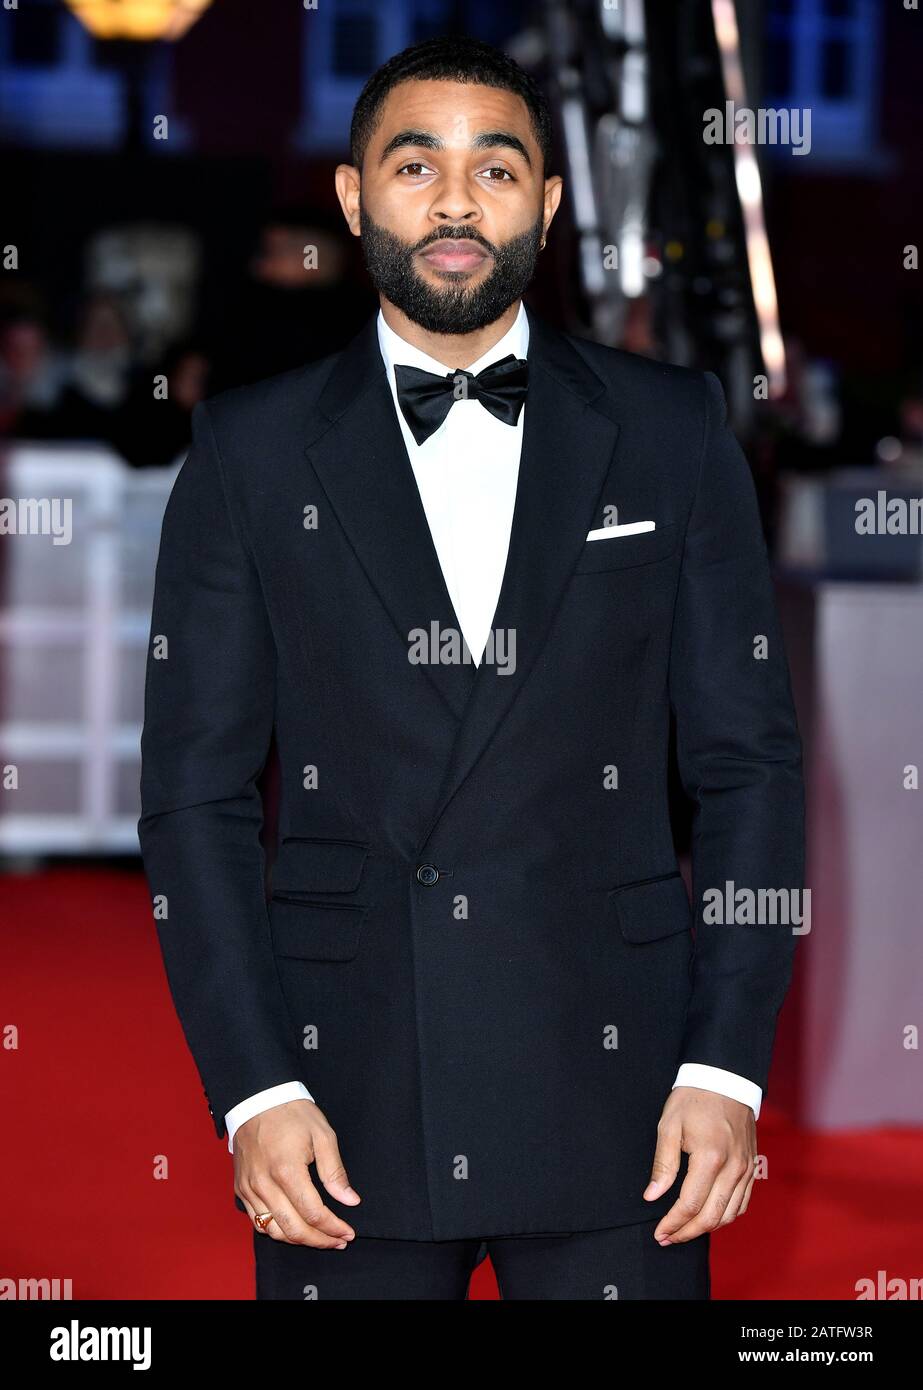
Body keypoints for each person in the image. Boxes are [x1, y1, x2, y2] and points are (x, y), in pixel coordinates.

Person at [138, 35, 804, 1301]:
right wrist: (255, 1086)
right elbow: (194, 796)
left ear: (546, 206)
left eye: (495, 169)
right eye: (414, 164)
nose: (454, 201)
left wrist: (723, 1068)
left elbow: (749, 767)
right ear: (353, 198)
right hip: (343, 1097)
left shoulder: (668, 430)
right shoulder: (249, 451)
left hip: (624, 1090)